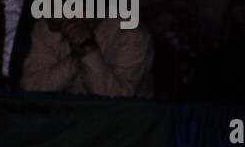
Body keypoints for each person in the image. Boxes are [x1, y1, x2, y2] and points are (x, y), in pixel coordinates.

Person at [21, 17, 154, 97]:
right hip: (64, 126)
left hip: (121, 132)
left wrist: (89, 51)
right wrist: (74, 58)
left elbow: (116, 100)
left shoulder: (130, 34)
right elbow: (32, 89)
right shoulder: (46, 27)